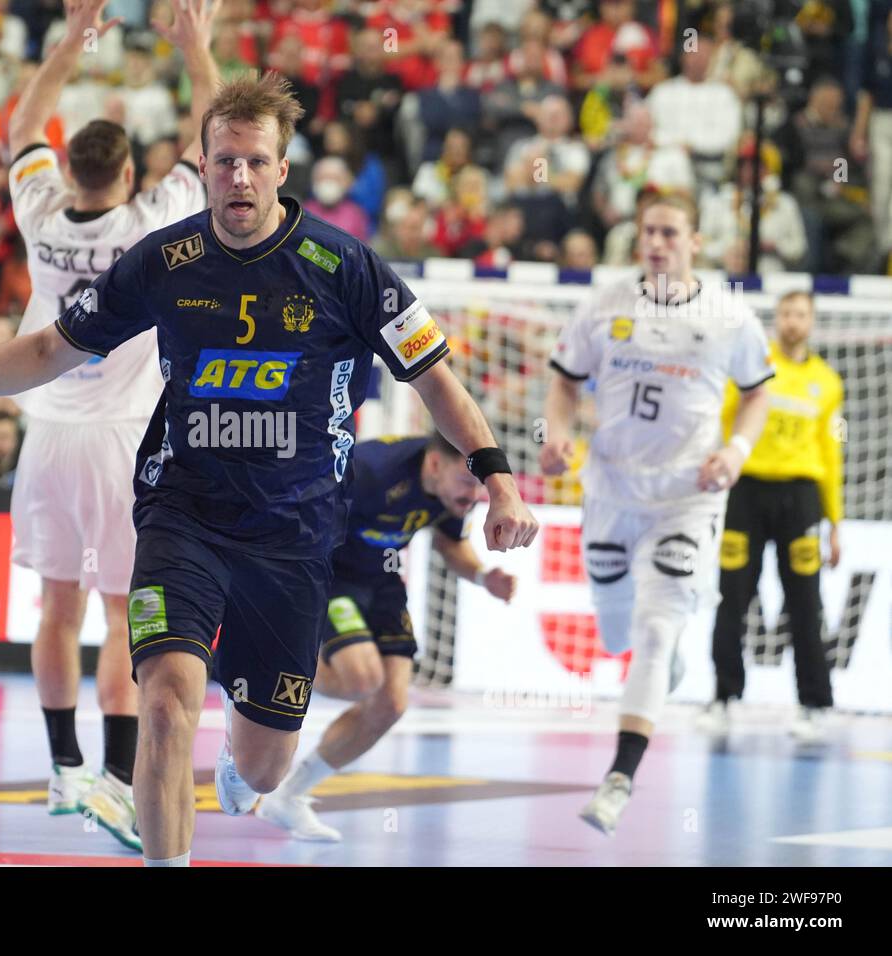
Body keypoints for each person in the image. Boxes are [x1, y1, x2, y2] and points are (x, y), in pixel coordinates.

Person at [0, 55, 538, 866]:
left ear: (282, 168)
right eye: (224, 159)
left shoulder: (347, 268)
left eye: (256, 160)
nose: (240, 176)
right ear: (201, 166)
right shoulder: (163, 261)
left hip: (293, 533)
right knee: (163, 702)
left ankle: (240, 757)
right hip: (180, 512)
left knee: (265, 763)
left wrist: (498, 479)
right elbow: (53, 346)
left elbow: (435, 378)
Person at [0, 0, 219, 853]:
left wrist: (72, 37)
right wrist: (195, 44)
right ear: (127, 177)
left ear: (72, 173)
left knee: (56, 609)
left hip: (47, 429)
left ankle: (62, 769)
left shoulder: (40, 218)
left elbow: (22, 123)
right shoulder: (150, 226)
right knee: (129, 617)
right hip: (124, 435)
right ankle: (119, 787)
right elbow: (211, 142)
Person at [540, 192, 773, 837]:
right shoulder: (605, 306)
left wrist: (735, 449)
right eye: (649, 232)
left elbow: (758, 393)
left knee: (656, 625)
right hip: (610, 491)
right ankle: (662, 668)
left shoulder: (730, 316)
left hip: (687, 495)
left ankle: (619, 778)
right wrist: (555, 433)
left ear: (696, 242)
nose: (658, 243)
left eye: (671, 232)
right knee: (616, 634)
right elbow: (563, 380)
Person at [257, 434, 517, 840]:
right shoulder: (372, 471)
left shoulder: (453, 492)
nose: (475, 495)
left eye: (480, 487)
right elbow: (298, 521)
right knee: (360, 679)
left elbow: (451, 545)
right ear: (434, 465)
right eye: (469, 484)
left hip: (382, 583)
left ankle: (288, 797)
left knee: (390, 703)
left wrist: (485, 577)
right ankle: (261, 678)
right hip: (330, 576)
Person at [699, 291, 843, 743]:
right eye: (786, 313)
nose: (793, 322)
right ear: (776, 318)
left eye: (801, 314)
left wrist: (835, 523)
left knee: (805, 601)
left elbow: (831, 453)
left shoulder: (827, 382)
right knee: (732, 596)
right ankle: (722, 698)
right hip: (746, 492)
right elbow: (720, 424)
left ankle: (814, 705)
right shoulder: (753, 369)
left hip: (801, 499)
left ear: (812, 321)